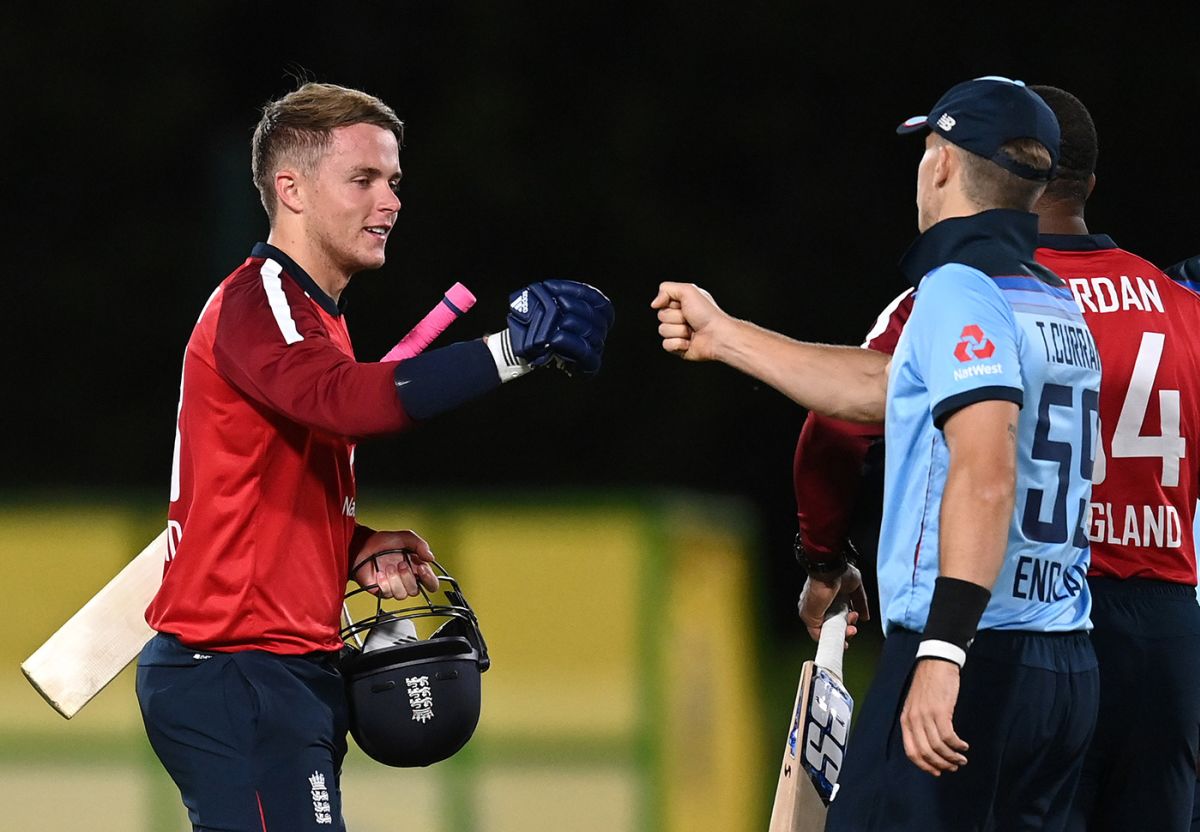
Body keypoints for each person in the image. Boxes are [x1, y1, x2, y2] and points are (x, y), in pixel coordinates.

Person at [136, 82, 614, 831]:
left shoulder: (314, 318)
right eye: (362, 180)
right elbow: (348, 401)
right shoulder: (262, 304)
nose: (388, 201)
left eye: (393, 181)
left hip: (276, 667)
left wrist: (352, 546)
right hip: (238, 670)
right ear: (289, 190)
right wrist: (511, 351)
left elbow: (253, 489)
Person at [653, 76, 1100, 830]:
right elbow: (890, 386)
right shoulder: (1049, 296)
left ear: (942, 165)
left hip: (974, 654)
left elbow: (985, 475)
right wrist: (726, 335)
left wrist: (943, 653)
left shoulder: (959, 287)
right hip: (1062, 665)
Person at [1029, 86, 1200, 831]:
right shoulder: (1183, 303)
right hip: (1167, 632)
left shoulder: (982, 292)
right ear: (1089, 185)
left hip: (1039, 611)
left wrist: (820, 552)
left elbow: (839, 428)